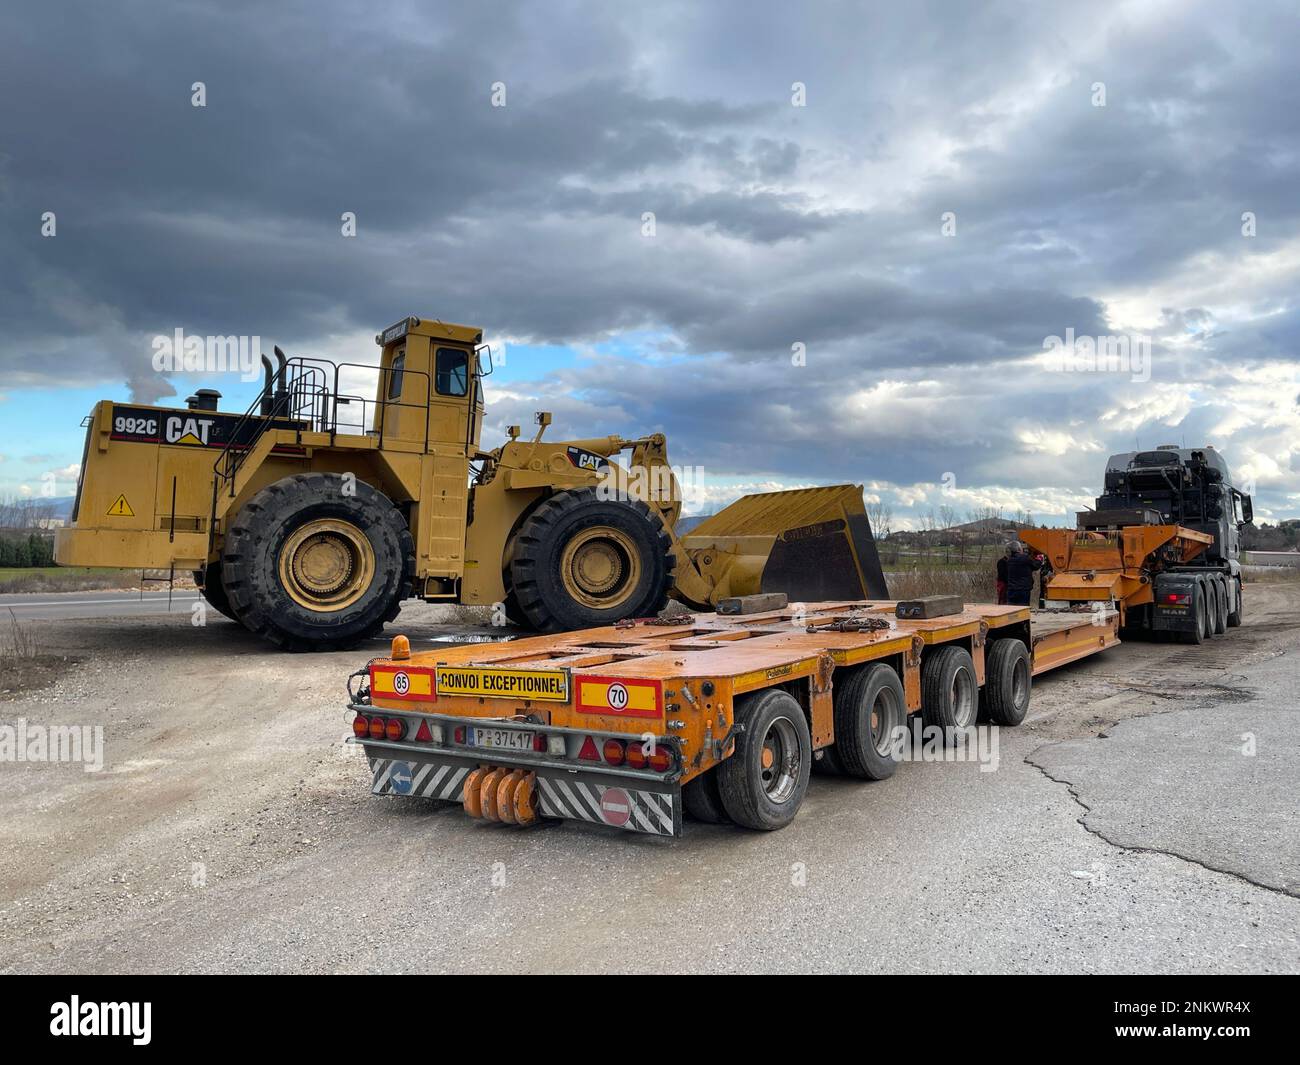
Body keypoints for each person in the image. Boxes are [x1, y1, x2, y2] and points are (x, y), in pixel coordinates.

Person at [1004, 541, 1042, 606]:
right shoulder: (1025, 558)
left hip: (1011, 590)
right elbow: (1036, 566)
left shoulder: (1009, 560)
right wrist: (1039, 559)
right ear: (1019, 549)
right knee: (1023, 610)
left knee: (1011, 610)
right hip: (1023, 590)